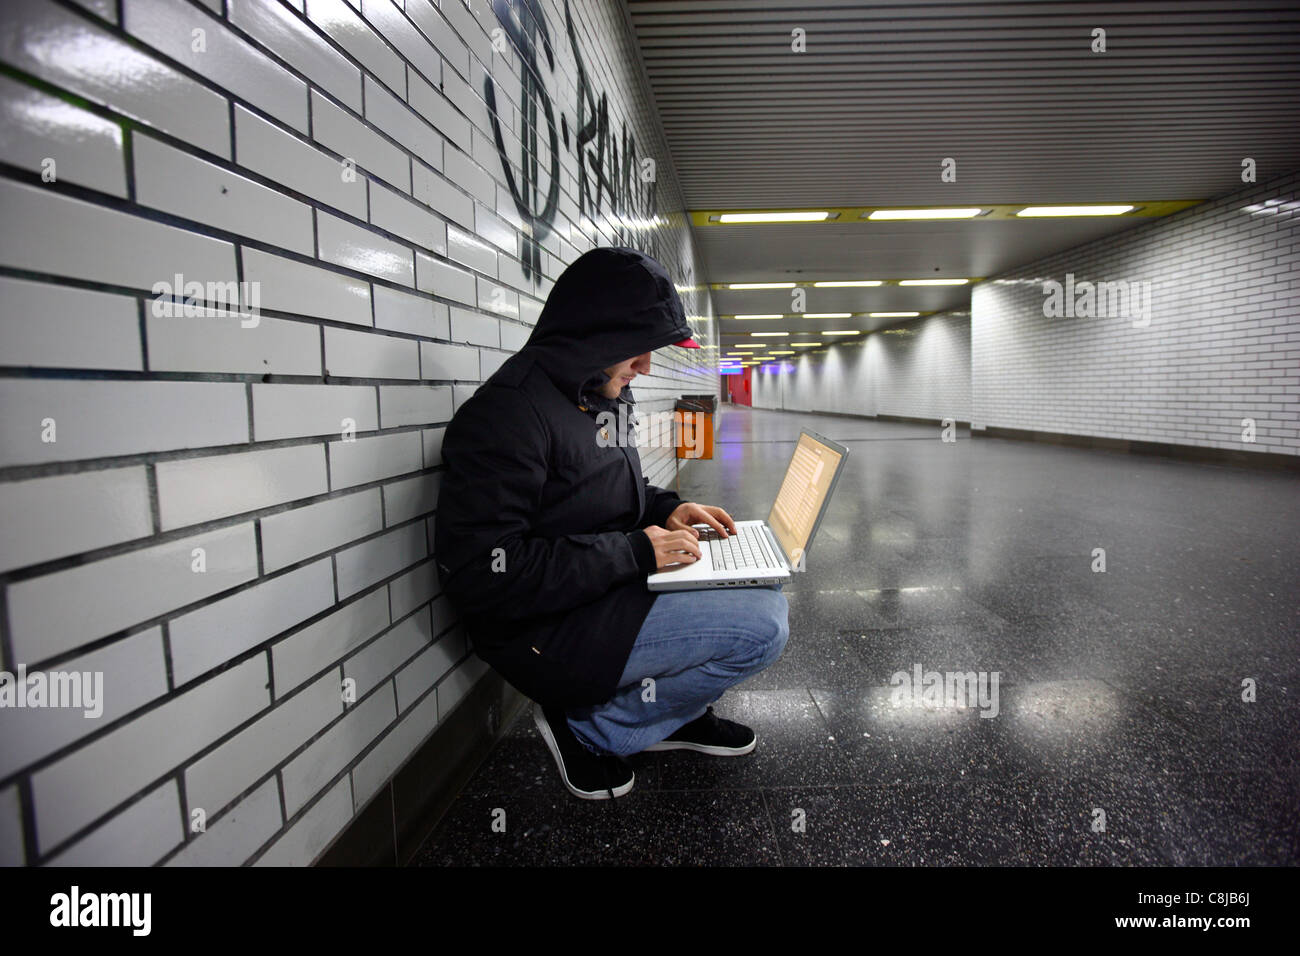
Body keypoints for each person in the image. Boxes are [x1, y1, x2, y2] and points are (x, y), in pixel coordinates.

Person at [434, 247, 789, 799]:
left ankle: (668, 714)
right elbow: (483, 574)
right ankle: (589, 727)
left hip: (600, 590)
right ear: (594, 336)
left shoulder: (596, 395)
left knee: (755, 583)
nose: (645, 366)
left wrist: (666, 509)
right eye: (638, 349)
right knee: (764, 625)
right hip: (543, 632)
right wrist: (633, 553)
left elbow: (614, 495)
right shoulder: (506, 415)